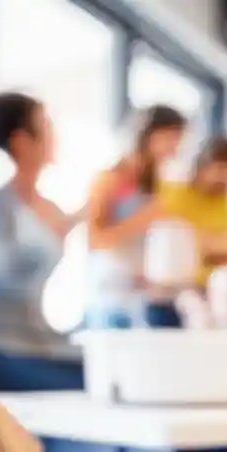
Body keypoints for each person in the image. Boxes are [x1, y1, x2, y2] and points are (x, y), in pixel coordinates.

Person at [0, 92, 83, 391]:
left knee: (100, 373)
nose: (54, 136)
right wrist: (56, 230)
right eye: (46, 127)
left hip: (37, 337)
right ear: (21, 141)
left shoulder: (51, 208)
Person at [84, 105, 187, 328]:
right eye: (170, 137)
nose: (174, 147)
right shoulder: (109, 180)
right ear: (147, 135)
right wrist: (143, 220)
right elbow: (95, 239)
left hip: (146, 293)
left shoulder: (158, 185)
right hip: (112, 296)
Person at [161, 136, 227, 289]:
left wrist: (208, 244)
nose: (224, 177)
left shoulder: (220, 199)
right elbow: (179, 247)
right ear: (202, 166)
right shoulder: (177, 195)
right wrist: (209, 245)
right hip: (178, 286)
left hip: (213, 286)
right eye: (219, 169)